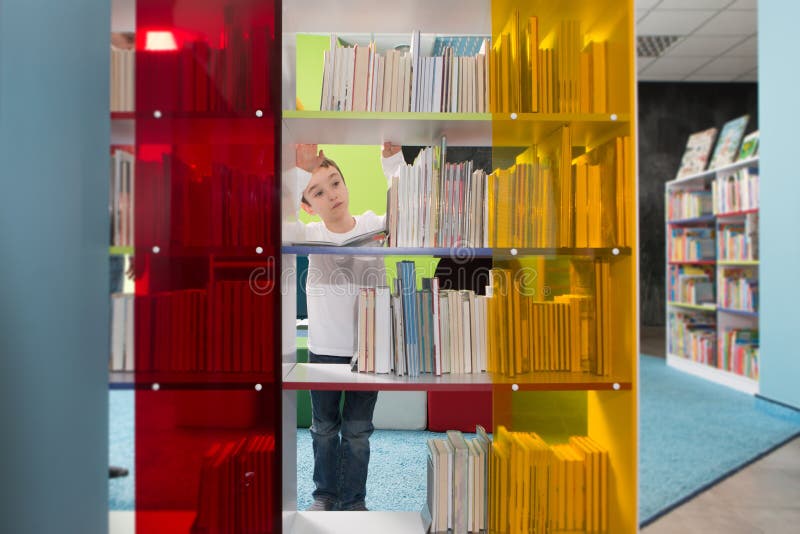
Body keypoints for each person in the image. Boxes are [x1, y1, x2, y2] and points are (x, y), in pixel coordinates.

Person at [294, 142, 404, 512]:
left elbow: (407, 205)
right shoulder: (309, 236)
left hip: (369, 352)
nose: (332, 195)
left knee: (357, 432)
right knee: (323, 429)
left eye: (335, 183)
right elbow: (274, 220)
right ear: (307, 205)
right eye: (318, 192)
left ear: (346, 184)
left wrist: (392, 163)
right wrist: (299, 170)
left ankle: (354, 499)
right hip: (324, 352)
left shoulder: (375, 224)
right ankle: (325, 495)